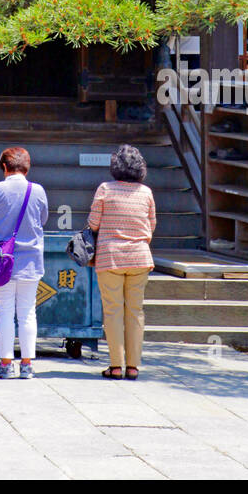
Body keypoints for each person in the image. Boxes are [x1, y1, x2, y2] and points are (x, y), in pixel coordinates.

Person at [0, 147, 49, 379]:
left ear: (5, 167)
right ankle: (27, 364)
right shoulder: (37, 191)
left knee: (4, 312)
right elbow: (44, 219)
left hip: (1, 262)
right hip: (31, 260)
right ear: (27, 167)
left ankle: (6, 364)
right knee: (28, 312)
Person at [87, 144, 156, 380]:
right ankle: (134, 366)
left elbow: (94, 223)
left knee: (113, 311)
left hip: (110, 257)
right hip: (139, 256)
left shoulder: (105, 189)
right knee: (136, 311)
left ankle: (116, 366)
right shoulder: (146, 192)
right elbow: (151, 225)